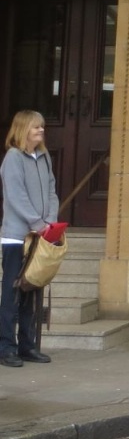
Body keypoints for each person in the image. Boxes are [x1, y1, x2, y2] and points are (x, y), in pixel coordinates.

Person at [0, 110, 58, 366]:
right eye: (36, 127)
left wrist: (49, 222)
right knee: (12, 293)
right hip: (16, 237)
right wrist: (37, 222)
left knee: (31, 292)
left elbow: (52, 190)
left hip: (39, 236)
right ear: (23, 129)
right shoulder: (13, 157)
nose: (41, 130)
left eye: (42, 126)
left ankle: (27, 345)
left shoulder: (44, 157)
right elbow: (15, 195)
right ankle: (6, 347)